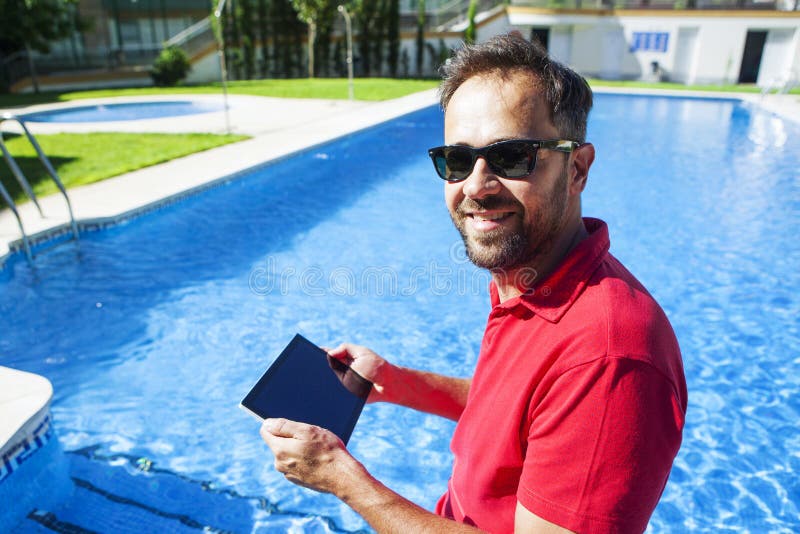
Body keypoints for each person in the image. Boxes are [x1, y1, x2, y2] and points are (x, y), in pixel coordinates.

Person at [260, 33, 687, 533]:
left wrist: (345, 480)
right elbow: (515, 411)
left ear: (578, 168)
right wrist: (395, 381)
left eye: (511, 157)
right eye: (457, 161)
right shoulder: (528, 281)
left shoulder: (610, 357)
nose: (477, 187)